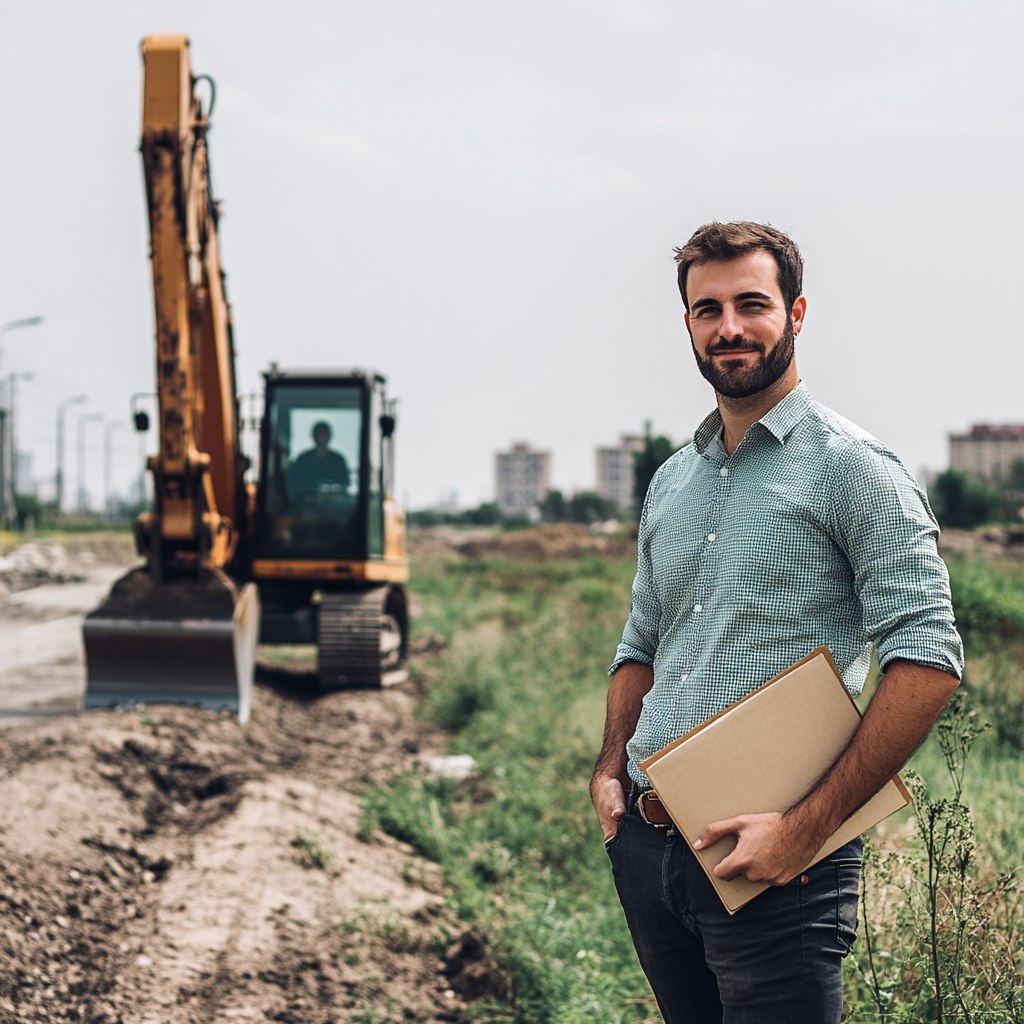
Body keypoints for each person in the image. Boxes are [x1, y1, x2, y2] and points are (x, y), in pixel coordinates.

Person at [591, 221, 963, 1024]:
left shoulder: (854, 469)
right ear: (687, 324)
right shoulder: (670, 481)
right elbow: (640, 645)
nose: (729, 327)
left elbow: (928, 658)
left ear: (796, 314)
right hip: (652, 853)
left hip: (777, 869)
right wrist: (610, 770)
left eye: (751, 304)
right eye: (707, 309)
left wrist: (804, 831)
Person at [287, 420, 350, 503]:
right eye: (320, 434)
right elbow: (296, 485)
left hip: (334, 506)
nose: (322, 437)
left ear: (329, 436)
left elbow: (344, 484)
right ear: (314, 436)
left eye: (324, 434)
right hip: (306, 505)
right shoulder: (303, 460)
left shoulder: (338, 460)